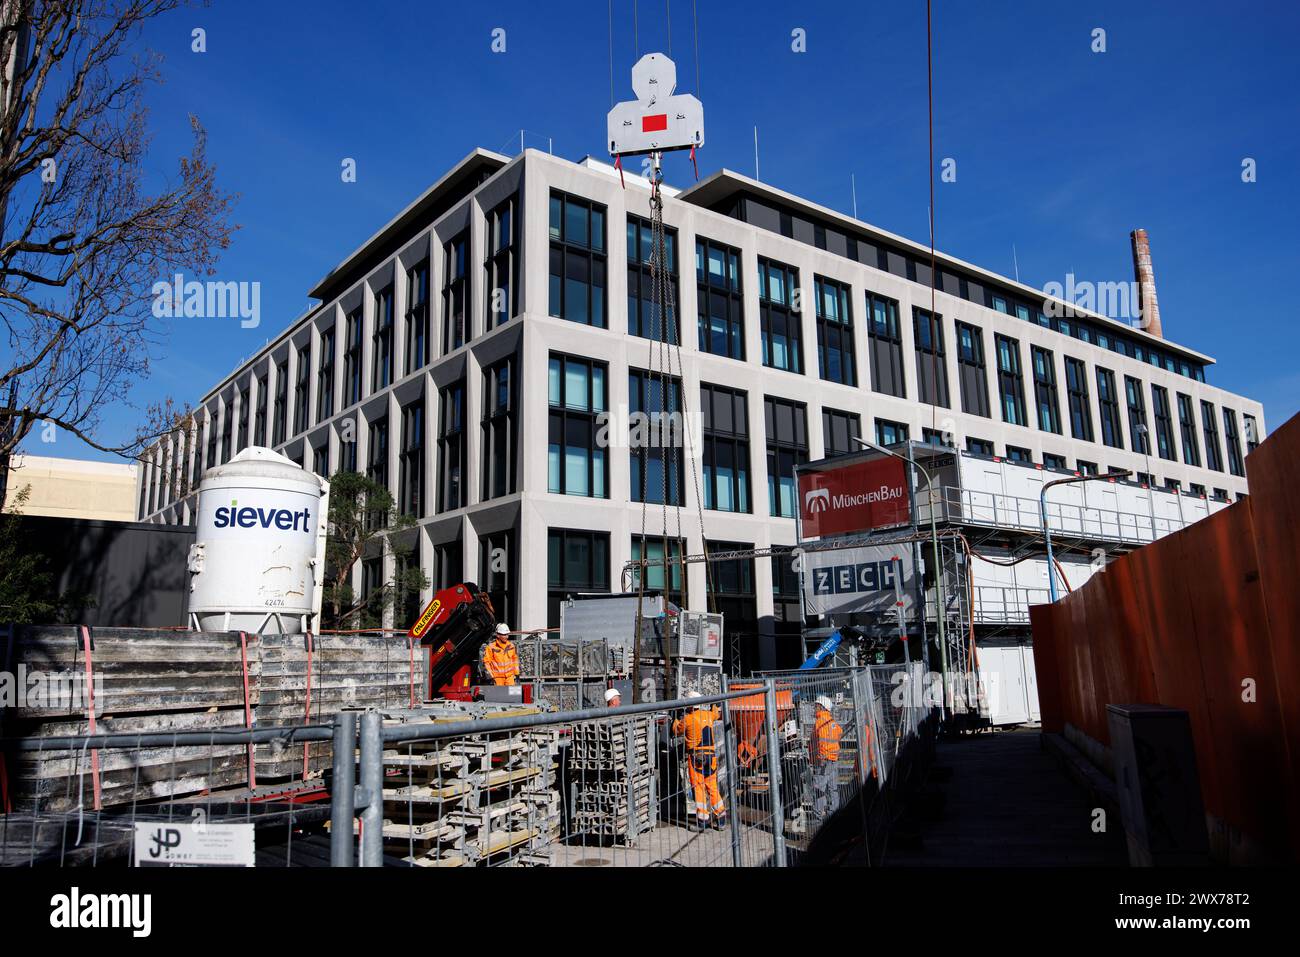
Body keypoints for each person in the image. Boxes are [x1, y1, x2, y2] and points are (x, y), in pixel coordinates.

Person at [672, 691, 726, 831]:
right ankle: (721, 819)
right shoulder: (708, 715)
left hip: (696, 758)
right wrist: (715, 703)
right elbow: (716, 714)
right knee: (712, 787)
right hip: (711, 757)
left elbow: (676, 731)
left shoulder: (688, 719)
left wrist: (676, 717)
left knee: (699, 788)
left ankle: (702, 821)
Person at [810, 695, 843, 820]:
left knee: (819, 788)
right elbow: (839, 733)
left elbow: (823, 742)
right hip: (833, 759)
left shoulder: (821, 721)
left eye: (816, 706)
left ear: (821, 707)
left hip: (824, 761)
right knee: (832, 787)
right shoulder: (831, 721)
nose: (814, 708)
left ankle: (817, 816)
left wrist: (822, 757)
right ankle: (834, 812)